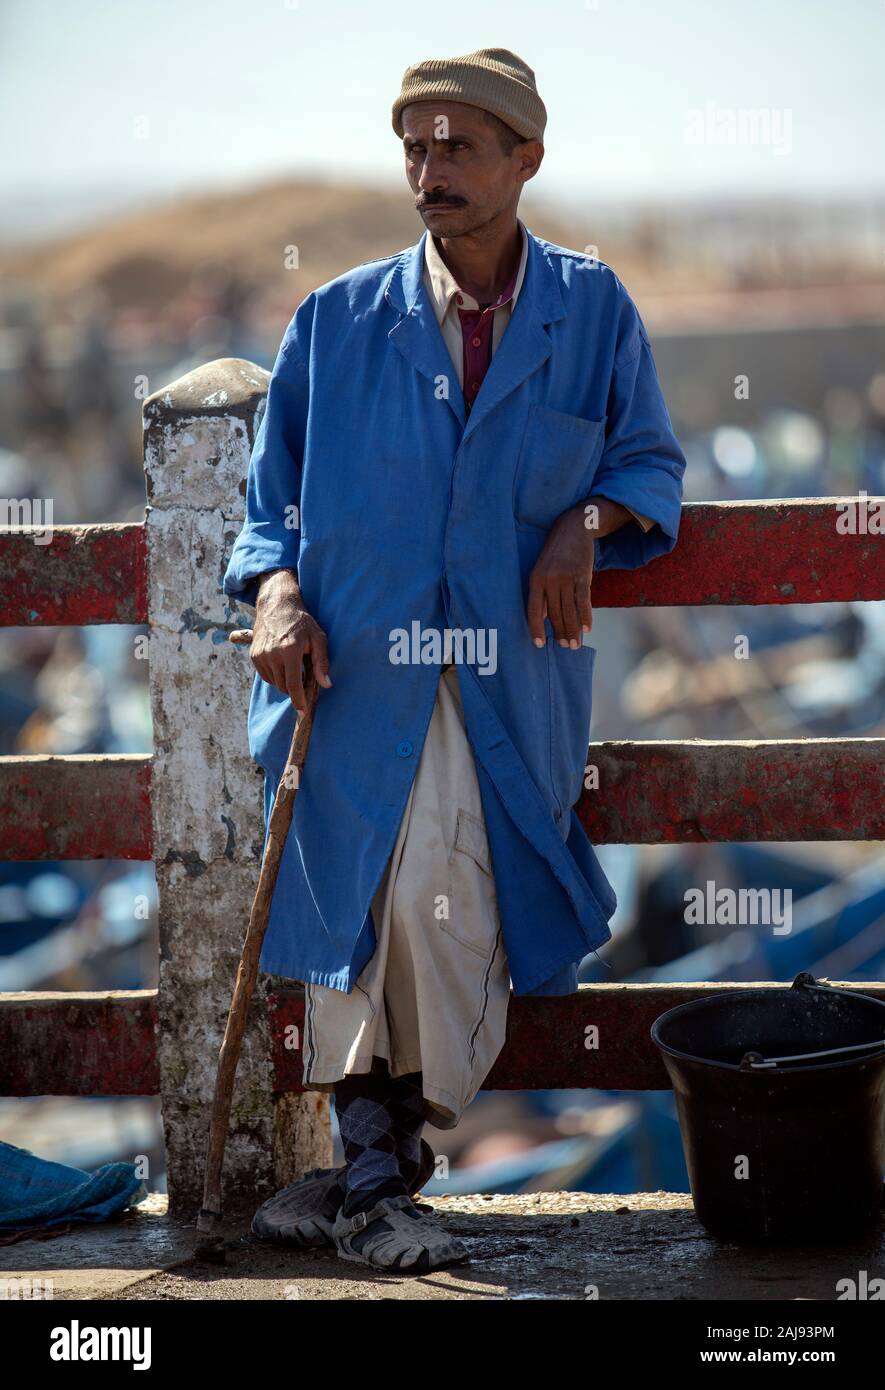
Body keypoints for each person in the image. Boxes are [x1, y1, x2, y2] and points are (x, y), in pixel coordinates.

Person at [223, 46, 685, 1273]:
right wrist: (275, 597)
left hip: (505, 681)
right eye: (415, 148)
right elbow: (266, 512)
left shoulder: (592, 313)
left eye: (458, 149)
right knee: (369, 901)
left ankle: (370, 1170)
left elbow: (649, 466)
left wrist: (583, 527)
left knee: (452, 896)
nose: (429, 172)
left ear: (526, 159)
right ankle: (377, 1175)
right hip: (355, 683)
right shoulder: (333, 322)